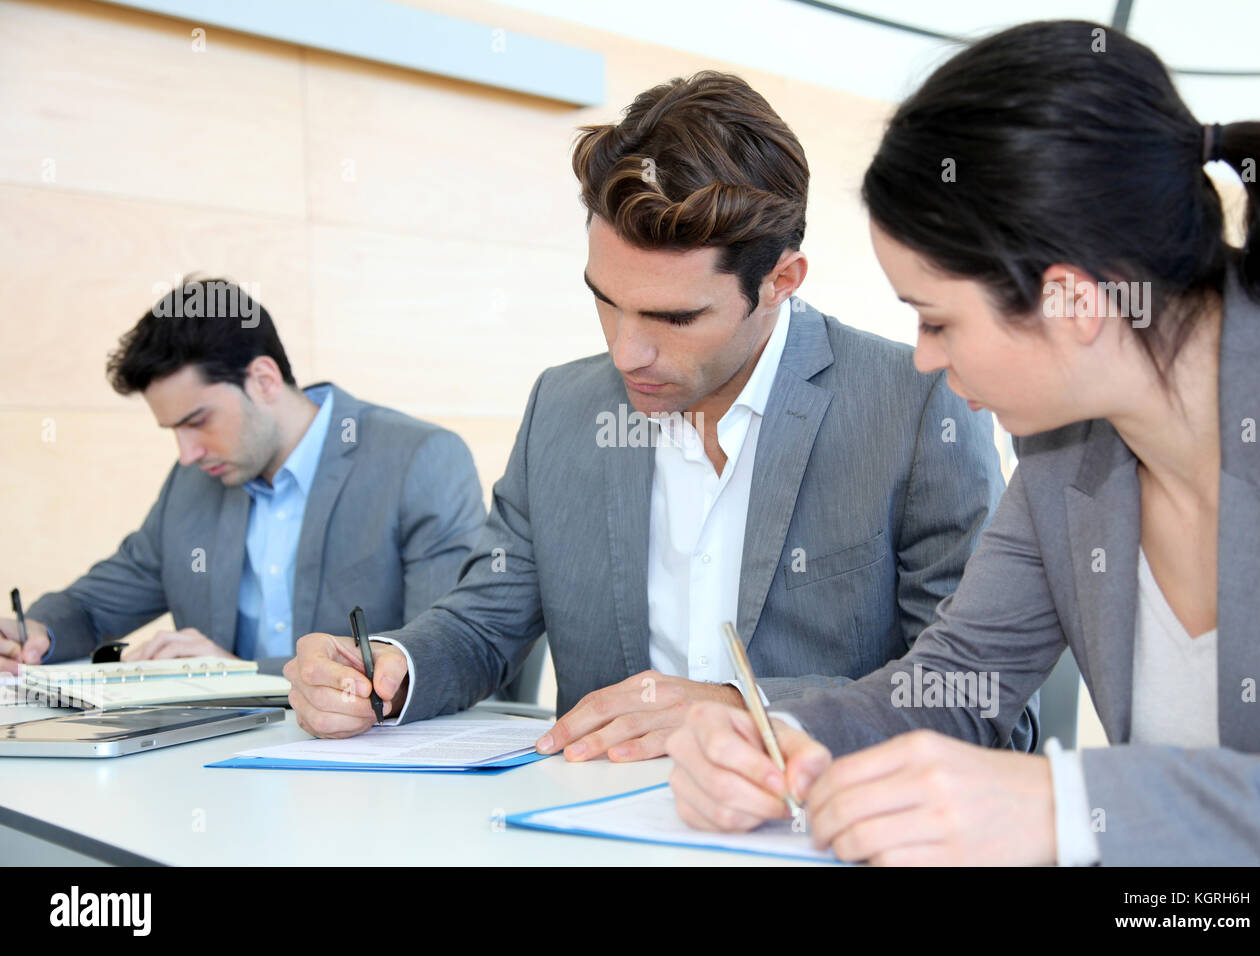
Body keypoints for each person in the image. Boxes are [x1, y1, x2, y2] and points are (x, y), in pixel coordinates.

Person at [666, 19, 1260, 865]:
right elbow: (959, 679)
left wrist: (1066, 806)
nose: (926, 359)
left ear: (1072, 300)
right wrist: (772, 735)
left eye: (936, 320)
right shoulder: (1066, 453)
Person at [285, 71, 1033, 760]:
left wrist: (745, 708)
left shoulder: (916, 404)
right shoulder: (562, 408)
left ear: (781, 281)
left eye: (673, 318)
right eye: (606, 302)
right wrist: (388, 669)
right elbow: (483, 624)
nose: (626, 352)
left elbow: (976, 695)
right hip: (590, 831)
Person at [0, 277, 485, 675]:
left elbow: (443, 650)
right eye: (173, 430)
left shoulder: (418, 460)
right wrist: (38, 629)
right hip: (215, 766)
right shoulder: (193, 481)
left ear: (264, 380)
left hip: (374, 767)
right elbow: (95, 604)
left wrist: (241, 674)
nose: (186, 453)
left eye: (197, 422)